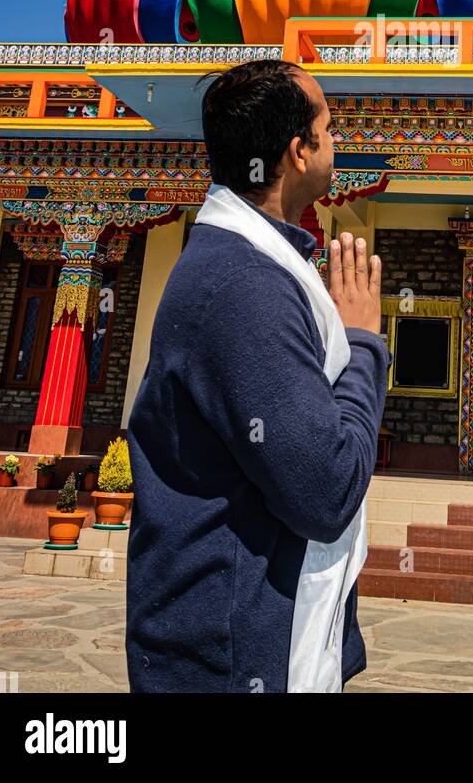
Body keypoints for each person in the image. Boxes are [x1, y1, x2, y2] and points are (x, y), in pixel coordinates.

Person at [125, 59, 390, 693]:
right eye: (329, 126)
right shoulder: (243, 286)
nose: (337, 139)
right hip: (231, 661)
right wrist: (363, 347)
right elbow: (326, 491)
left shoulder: (250, 266)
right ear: (299, 151)